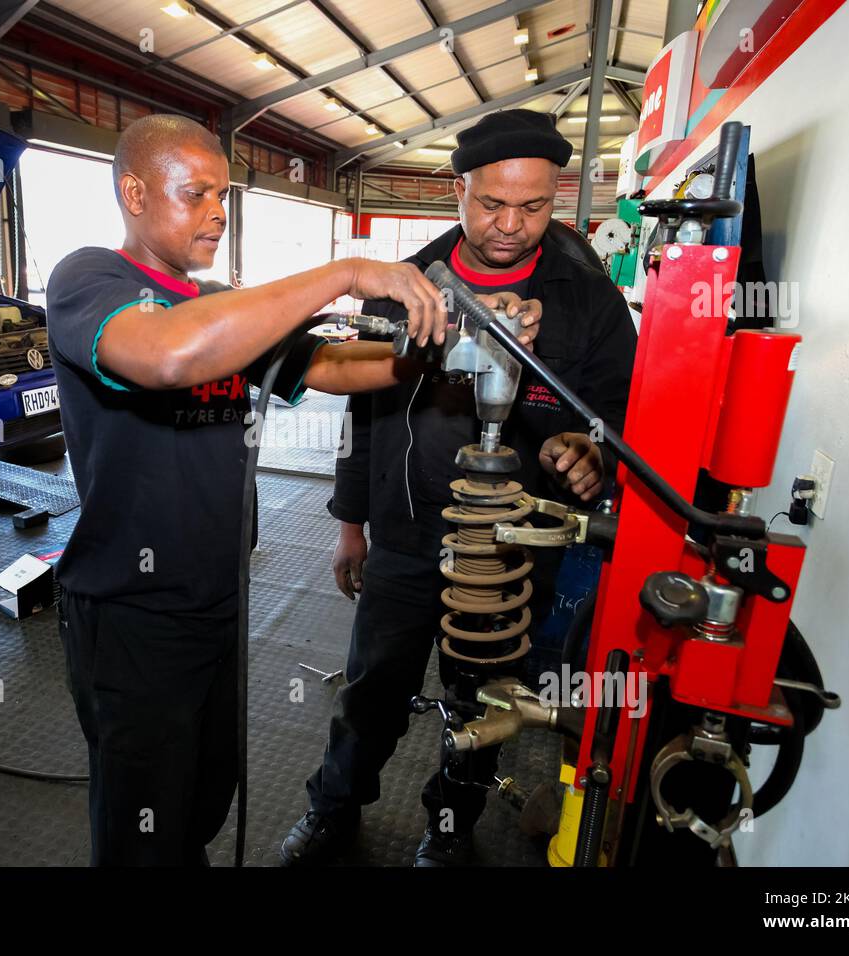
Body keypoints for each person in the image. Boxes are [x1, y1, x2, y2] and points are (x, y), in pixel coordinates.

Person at [45, 114, 538, 866]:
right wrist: (341, 272)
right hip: (131, 609)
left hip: (217, 598)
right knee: (141, 826)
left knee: (202, 799)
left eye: (225, 194)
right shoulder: (89, 278)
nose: (217, 210)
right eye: (197, 192)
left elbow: (337, 369)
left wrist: (454, 344)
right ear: (134, 193)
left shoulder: (218, 308)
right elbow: (168, 354)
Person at [281, 109, 638, 867]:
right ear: (459, 190)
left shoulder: (588, 302)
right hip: (408, 533)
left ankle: (450, 829)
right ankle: (333, 811)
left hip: (510, 546)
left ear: (557, 196)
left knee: (485, 704)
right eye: (490, 202)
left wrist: (590, 448)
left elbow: (618, 411)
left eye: (534, 206)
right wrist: (351, 524)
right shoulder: (405, 286)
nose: (510, 224)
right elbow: (364, 414)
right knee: (372, 691)